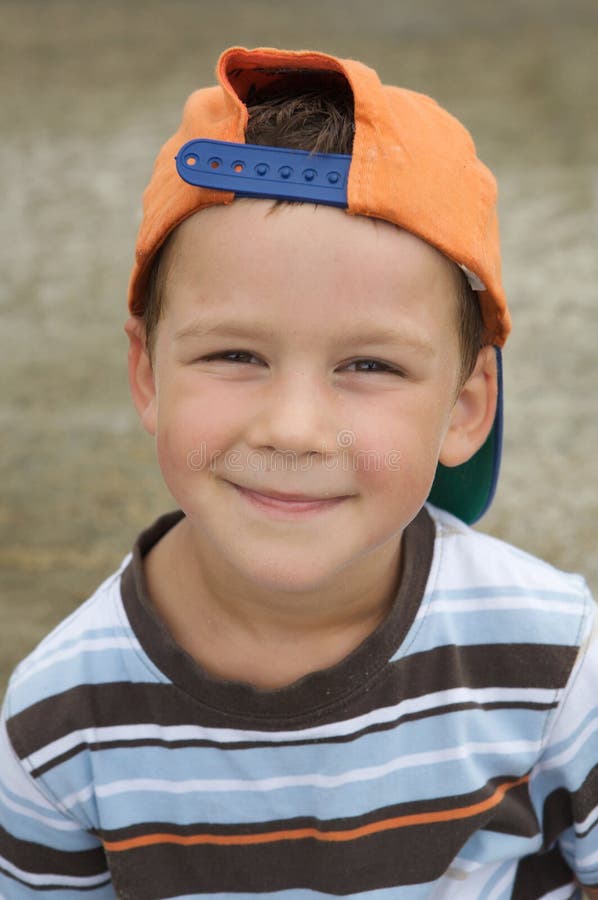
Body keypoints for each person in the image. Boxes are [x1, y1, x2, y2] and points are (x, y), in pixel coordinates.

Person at [1, 45, 596, 900]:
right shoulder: (60, 722)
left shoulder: (555, 657)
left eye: (370, 367)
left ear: (467, 407)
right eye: (235, 353)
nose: (294, 428)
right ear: (147, 375)